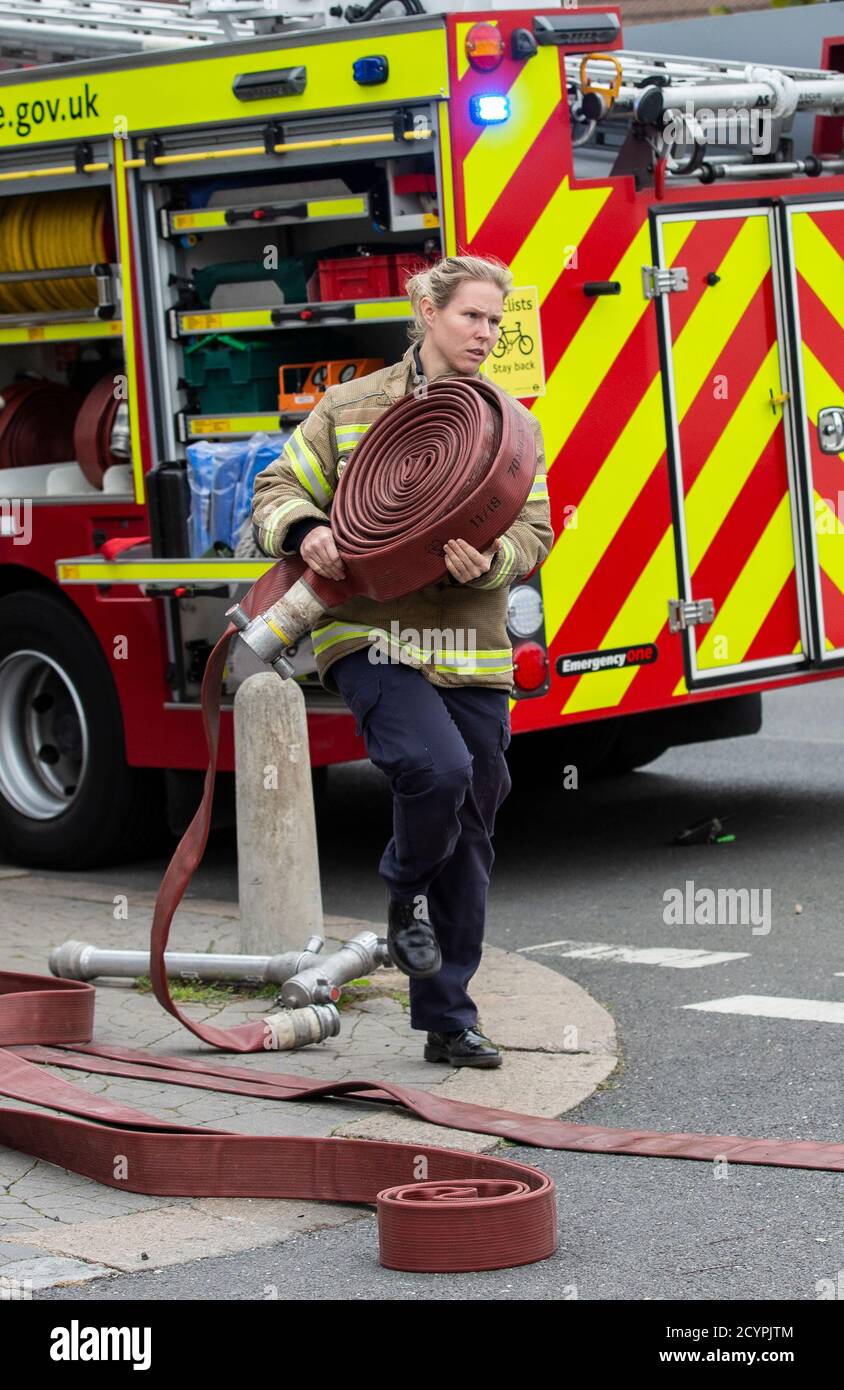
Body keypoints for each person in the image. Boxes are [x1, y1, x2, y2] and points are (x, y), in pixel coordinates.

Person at [251, 254, 553, 1068]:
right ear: (427, 308)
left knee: (474, 827)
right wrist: (305, 529)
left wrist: (486, 565)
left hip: (473, 651)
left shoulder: (510, 423)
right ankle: (403, 887)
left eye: (497, 321)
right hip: (371, 638)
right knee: (438, 771)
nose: (488, 334)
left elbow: (534, 534)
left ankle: (448, 1021)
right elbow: (275, 489)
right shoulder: (349, 410)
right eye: (473, 317)